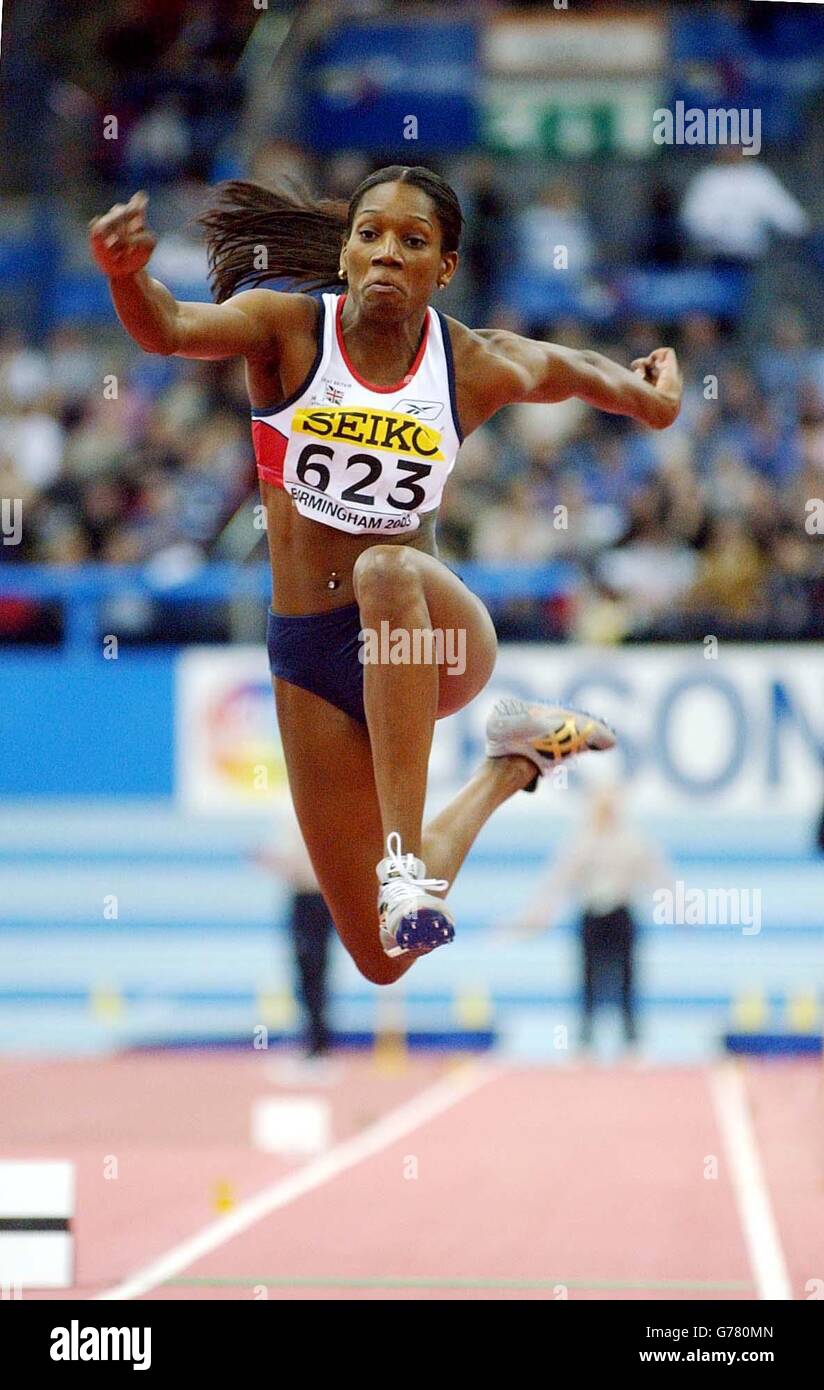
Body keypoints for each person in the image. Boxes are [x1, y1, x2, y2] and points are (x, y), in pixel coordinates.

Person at [88, 166, 682, 986]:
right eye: (369, 235)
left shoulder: (470, 363)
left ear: (445, 268)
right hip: (310, 653)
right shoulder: (287, 330)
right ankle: (517, 760)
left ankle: (404, 872)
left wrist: (657, 401)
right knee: (381, 957)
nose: (386, 255)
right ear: (345, 249)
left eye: (413, 242)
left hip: (432, 632)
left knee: (385, 566)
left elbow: (580, 368)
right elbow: (170, 325)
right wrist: (126, 276)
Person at [508, 787, 671, 1051]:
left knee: (628, 976)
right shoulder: (581, 842)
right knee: (587, 977)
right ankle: (585, 1037)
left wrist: (679, 909)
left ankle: (631, 1038)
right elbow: (559, 881)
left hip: (621, 912)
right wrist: (536, 915)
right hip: (592, 915)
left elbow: (657, 876)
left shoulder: (633, 841)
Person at [254, 812, 335, 1063]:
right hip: (318, 897)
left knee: (312, 970)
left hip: (314, 898)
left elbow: (292, 863)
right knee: (312, 970)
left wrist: (268, 859)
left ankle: (318, 1039)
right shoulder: (300, 815)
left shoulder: (302, 817)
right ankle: (316, 1037)